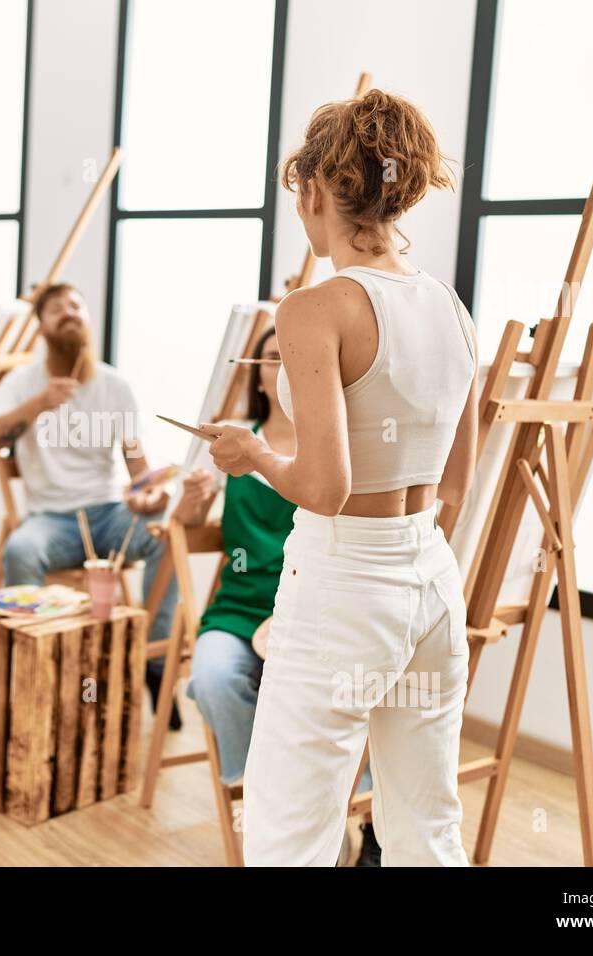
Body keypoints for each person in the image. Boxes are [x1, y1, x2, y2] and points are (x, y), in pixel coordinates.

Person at [204, 89, 478, 866]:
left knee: (289, 832)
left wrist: (253, 454)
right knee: (426, 824)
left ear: (317, 188)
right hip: (430, 580)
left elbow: (325, 488)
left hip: (343, 582)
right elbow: (457, 482)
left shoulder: (313, 307)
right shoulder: (452, 309)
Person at [176, 327, 381, 866]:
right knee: (214, 679)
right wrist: (192, 503)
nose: (286, 368)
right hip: (240, 609)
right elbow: (184, 524)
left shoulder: (335, 447)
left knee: (358, 696)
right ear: (259, 375)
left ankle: (352, 811)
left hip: (316, 613)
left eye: (297, 357)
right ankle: (267, 805)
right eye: (273, 358)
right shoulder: (233, 441)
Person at [0, 283, 181, 727]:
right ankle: (32, 670)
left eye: (75, 305)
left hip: (108, 514)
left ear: (88, 318)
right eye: (55, 309)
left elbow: (137, 471)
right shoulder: (20, 383)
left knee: (168, 532)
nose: (68, 313)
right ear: (41, 327)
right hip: (50, 519)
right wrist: (36, 405)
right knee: (20, 550)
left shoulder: (116, 386)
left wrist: (150, 494)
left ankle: (155, 659)